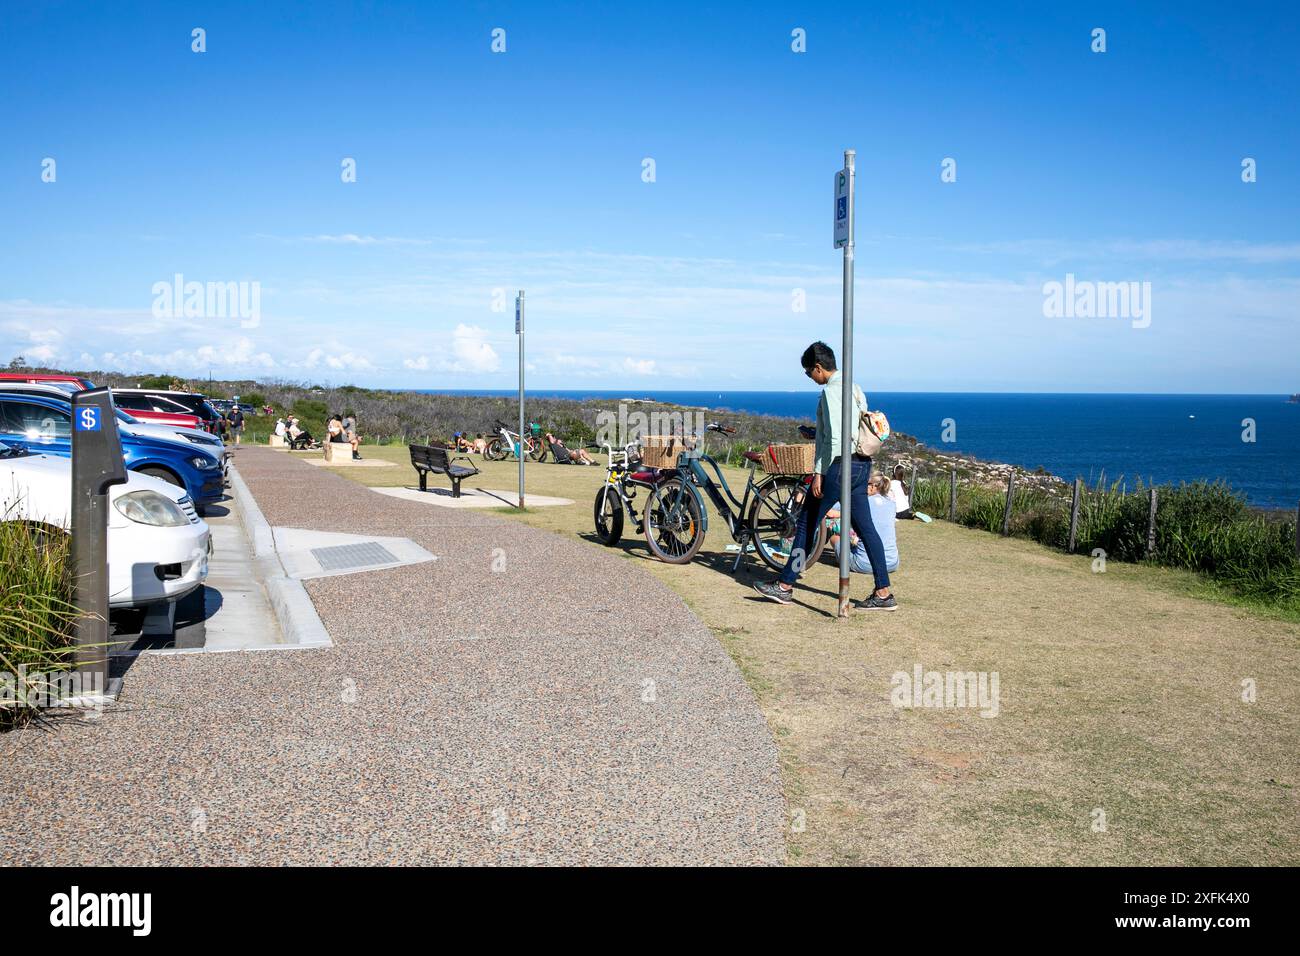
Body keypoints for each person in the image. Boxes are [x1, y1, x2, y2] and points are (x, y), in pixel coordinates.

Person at [752, 341, 897, 611]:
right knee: (867, 530)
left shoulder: (831, 392)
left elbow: (835, 439)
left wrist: (818, 473)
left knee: (806, 524)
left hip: (839, 466)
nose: (809, 377)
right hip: (862, 464)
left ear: (819, 368)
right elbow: (848, 428)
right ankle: (883, 592)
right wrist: (816, 432)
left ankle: (784, 586)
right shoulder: (854, 387)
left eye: (808, 372)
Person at [826, 473, 900, 576]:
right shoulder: (891, 503)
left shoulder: (863, 503)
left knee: (834, 538)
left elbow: (831, 513)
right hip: (892, 562)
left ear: (873, 486)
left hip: (865, 564)